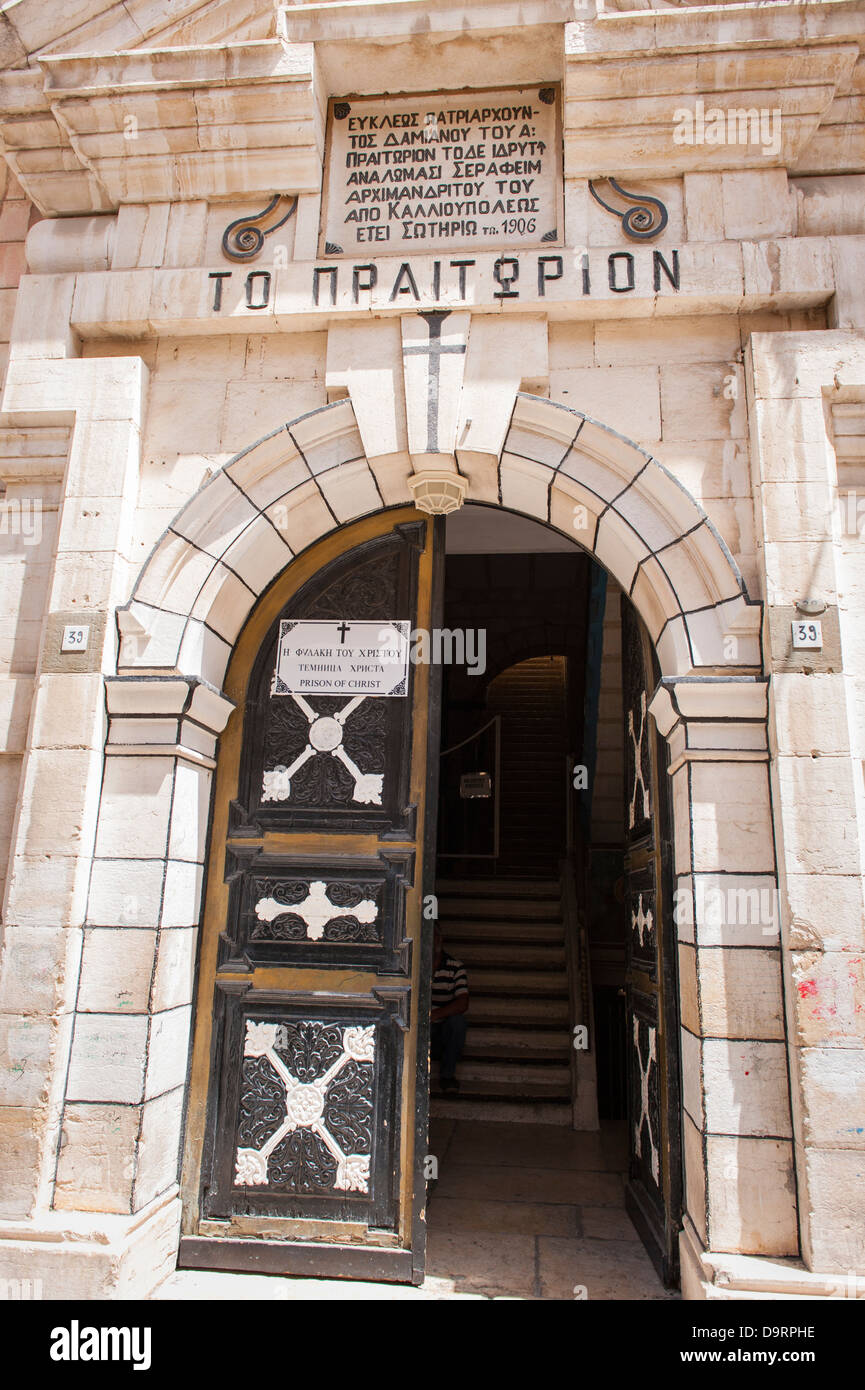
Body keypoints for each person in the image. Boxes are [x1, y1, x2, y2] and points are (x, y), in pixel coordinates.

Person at [430, 924, 469, 1092]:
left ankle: (447, 1076)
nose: (432, 942)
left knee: (458, 1022)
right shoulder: (412, 965)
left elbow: (463, 1003)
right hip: (421, 1029)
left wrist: (433, 1015)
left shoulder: (455, 967)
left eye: (435, 937)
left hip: (441, 1030)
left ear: (441, 940)